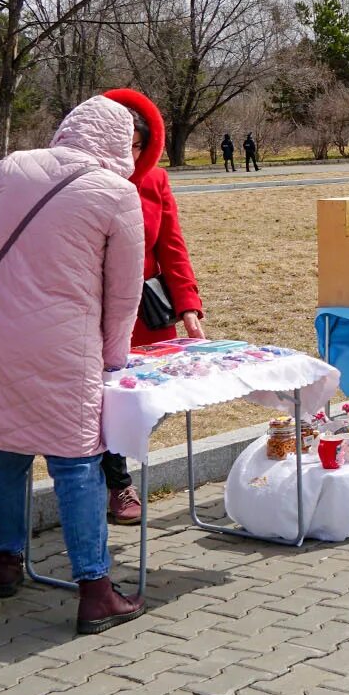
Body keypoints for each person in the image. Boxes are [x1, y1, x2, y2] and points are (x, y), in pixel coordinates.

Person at [0, 95, 147, 634]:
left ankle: (5, 563)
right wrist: (114, 358)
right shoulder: (117, 193)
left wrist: (1, 268)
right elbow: (124, 295)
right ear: (119, 142)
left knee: (1, 451)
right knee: (76, 461)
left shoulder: (14, 166)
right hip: (65, 341)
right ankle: (95, 590)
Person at [96, 89, 205, 525]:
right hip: (93, 311)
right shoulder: (82, 182)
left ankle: (109, 464)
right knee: (106, 399)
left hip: (146, 315)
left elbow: (172, 247)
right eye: (120, 145)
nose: (129, 156)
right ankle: (116, 483)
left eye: (137, 146)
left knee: (150, 400)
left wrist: (188, 306)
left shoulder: (156, 181)